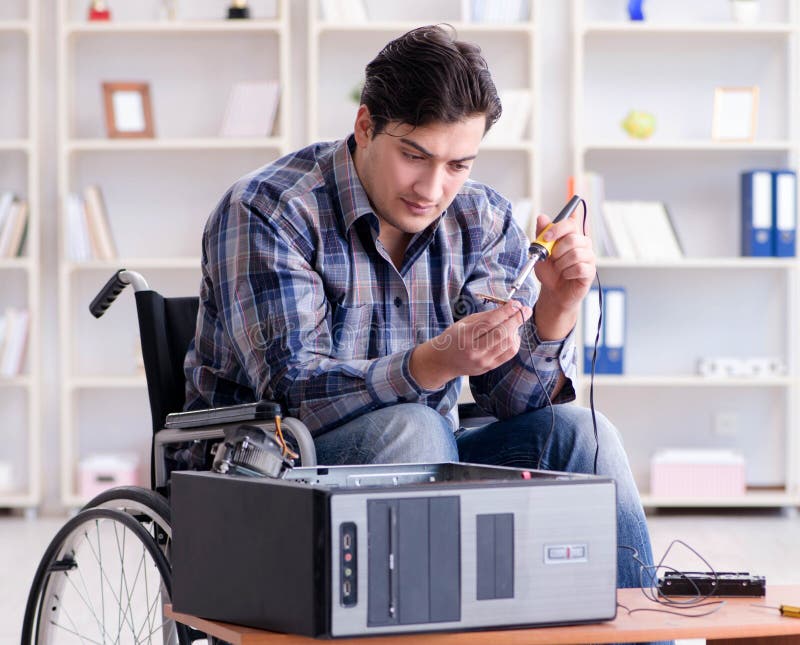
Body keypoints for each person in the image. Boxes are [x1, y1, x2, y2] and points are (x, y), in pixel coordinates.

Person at [183, 24, 655, 590]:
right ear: (365, 126)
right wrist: (433, 362)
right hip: (263, 471)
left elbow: (512, 402)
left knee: (578, 433)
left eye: (458, 165)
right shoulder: (269, 210)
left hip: (422, 462)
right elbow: (292, 394)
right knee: (417, 429)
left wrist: (556, 307)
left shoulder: (482, 219)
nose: (432, 188)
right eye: (415, 155)